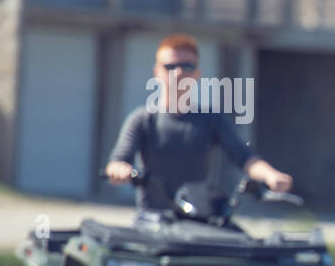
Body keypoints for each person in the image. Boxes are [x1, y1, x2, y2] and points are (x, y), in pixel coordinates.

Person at [105, 34, 293, 210]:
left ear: (197, 74)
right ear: (157, 72)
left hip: (196, 218)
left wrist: (270, 175)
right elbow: (119, 160)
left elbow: (243, 156)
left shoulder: (211, 119)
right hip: (152, 219)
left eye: (187, 67)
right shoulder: (143, 120)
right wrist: (119, 170)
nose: (179, 73)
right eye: (170, 67)